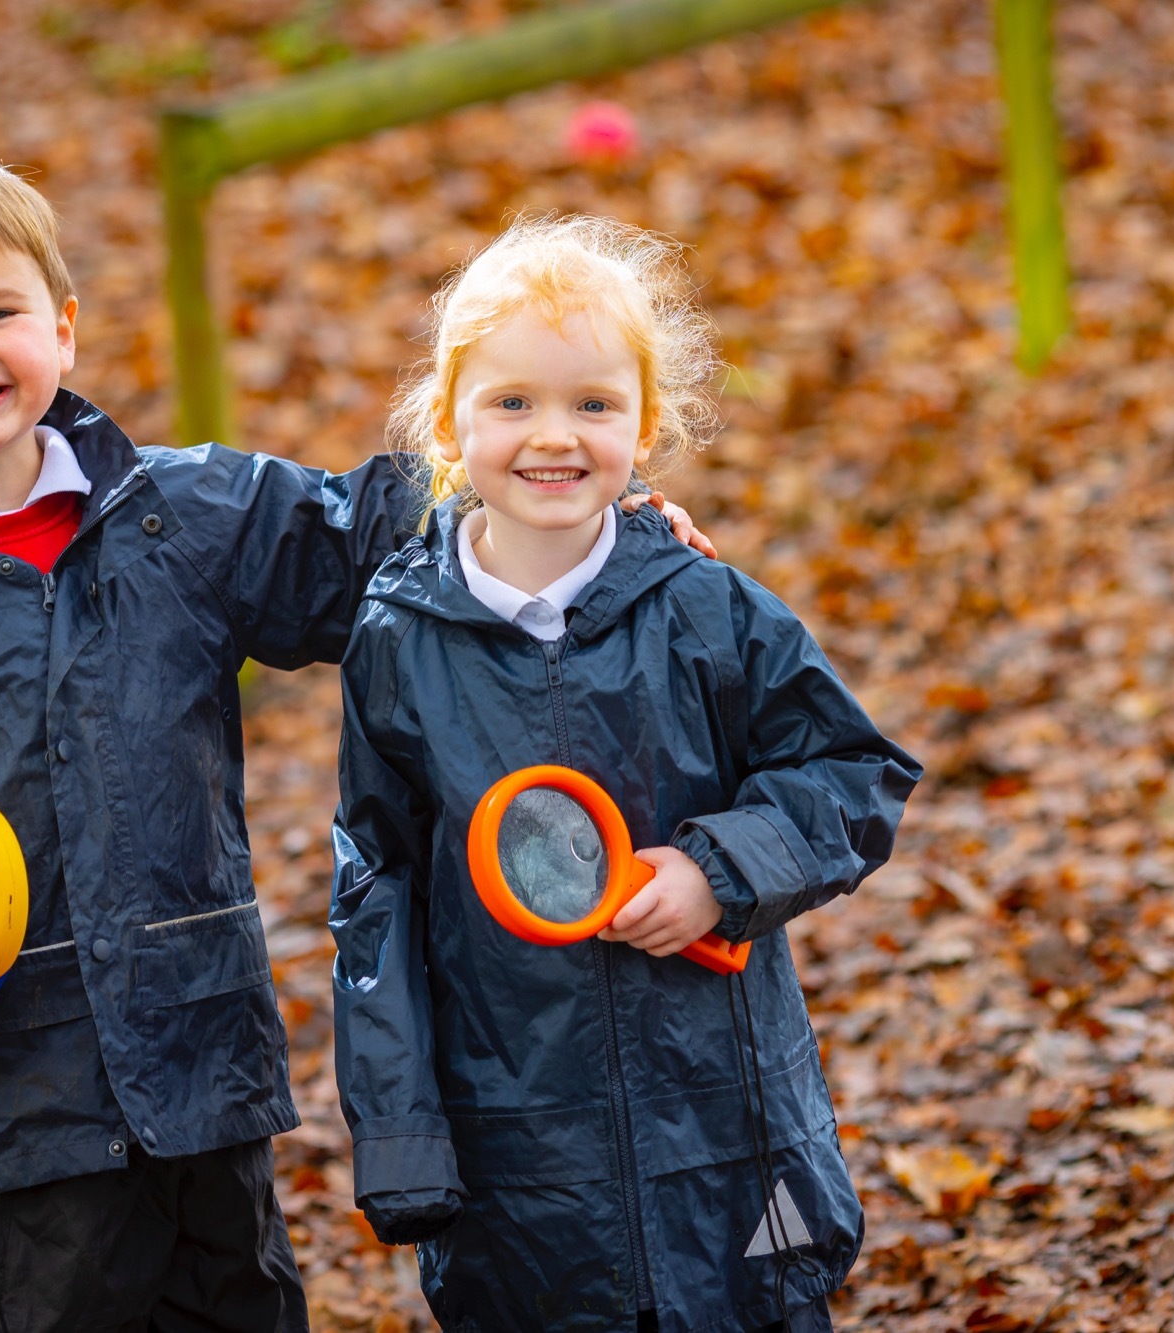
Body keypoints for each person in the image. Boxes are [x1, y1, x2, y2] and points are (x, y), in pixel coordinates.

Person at [0, 147, 702, 1331]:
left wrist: (563, 518)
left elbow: (357, 540)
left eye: (0, 312)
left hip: (201, 1073)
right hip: (7, 1118)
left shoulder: (181, 517)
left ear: (62, 329)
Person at [330, 215, 923, 1332]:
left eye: (592, 404)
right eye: (511, 402)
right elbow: (377, 887)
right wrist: (403, 1137)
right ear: (449, 423)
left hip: (728, 1125)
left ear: (644, 422)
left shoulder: (704, 608)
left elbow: (853, 770)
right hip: (519, 1139)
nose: (551, 435)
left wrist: (716, 870)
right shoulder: (400, 639)